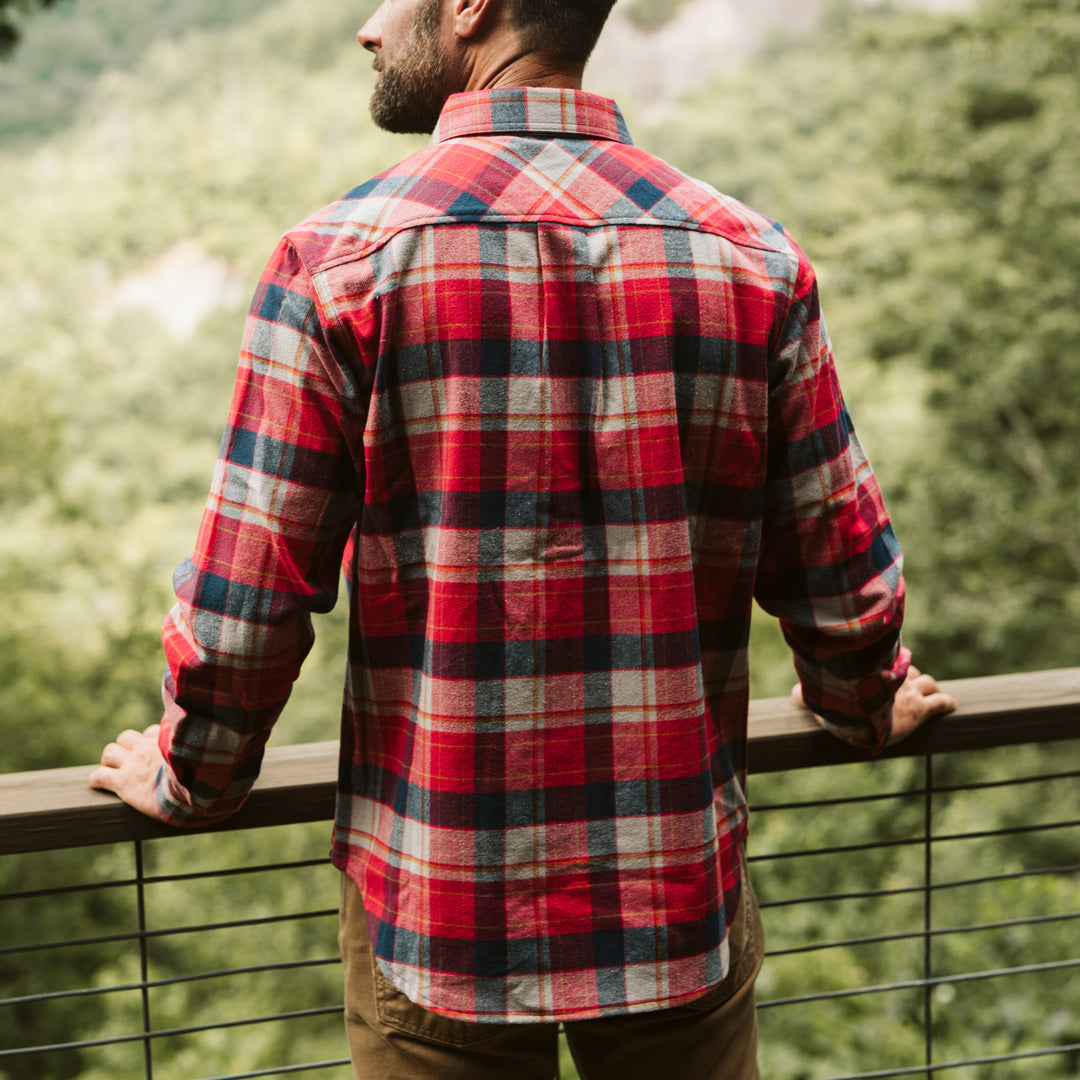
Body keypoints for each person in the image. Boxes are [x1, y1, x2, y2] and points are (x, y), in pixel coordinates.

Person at [89, 1, 957, 1076]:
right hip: (676, 905)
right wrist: (866, 703)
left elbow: (251, 592)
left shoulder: (337, 263)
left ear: (468, 7)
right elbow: (841, 570)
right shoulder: (754, 261)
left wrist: (195, 773)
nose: (368, 27)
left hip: (438, 920)